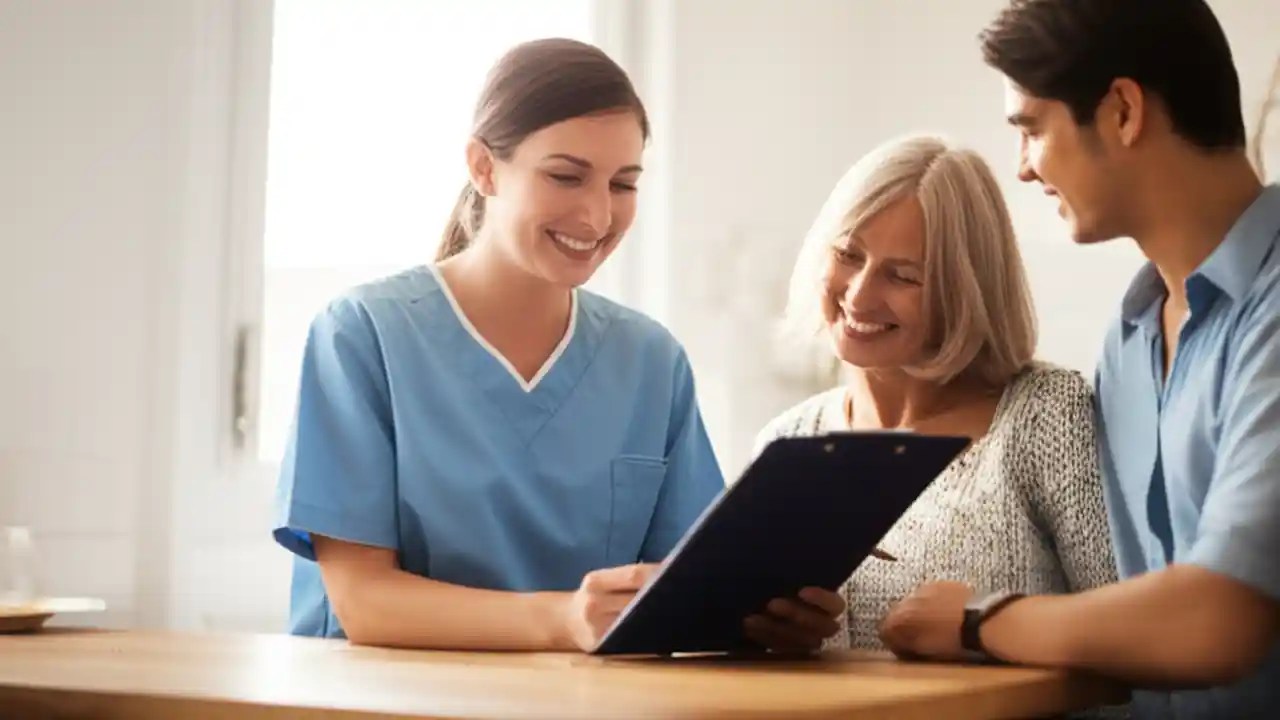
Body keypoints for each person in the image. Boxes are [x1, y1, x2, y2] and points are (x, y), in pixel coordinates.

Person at [272, 38, 843, 652]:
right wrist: (564, 620)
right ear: (484, 168)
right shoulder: (363, 335)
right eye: (566, 177)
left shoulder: (650, 362)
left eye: (623, 185)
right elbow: (365, 602)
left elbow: (679, 591)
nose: (597, 217)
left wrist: (763, 618)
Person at [878, 2, 1280, 718]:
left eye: (1031, 129)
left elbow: (1222, 620)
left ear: (1123, 110)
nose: (1023, 170)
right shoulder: (1127, 343)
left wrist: (979, 621)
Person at [756, 135, 1118, 655]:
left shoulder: (1045, 415)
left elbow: (1129, 642)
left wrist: (981, 628)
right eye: (847, 255)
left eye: (902, 276)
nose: (858, 294)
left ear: (965, 289)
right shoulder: (786, 440)